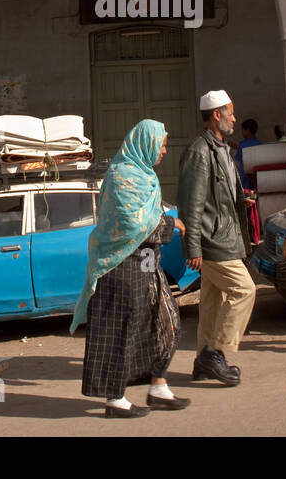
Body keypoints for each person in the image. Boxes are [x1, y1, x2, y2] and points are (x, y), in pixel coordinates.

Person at [71, 119, 188, 418]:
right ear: (145, 144)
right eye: (161, 145)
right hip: (119, 264)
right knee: (120, 330)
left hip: (147, 264)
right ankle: (114, 399)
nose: (164, 151)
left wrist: (163, 224)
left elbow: (148, 216)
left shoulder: (145, 175)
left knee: (166, 321)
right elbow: (131, 223)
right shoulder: (122, 176)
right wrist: (169, 223)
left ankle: (157, 385)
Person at [178, 89, 256, 386]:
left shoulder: (221, 147)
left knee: (212, 301)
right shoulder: (200, 150)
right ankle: (218, 352)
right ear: (216, 115)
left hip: (223, 234)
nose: (234, 118)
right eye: (230, 113)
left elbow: (218, 195)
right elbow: (191, 203)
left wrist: (240, 201)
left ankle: (202, 361)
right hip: (213, 240)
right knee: (244, 290)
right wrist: (192, 246)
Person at [235, 119, 262, 191]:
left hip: (244, 177)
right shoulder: (260, 144)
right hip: (257, 176)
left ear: (247, 131)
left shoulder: (242, 144)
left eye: (243, 130)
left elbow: (238, 160)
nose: (242, 132)